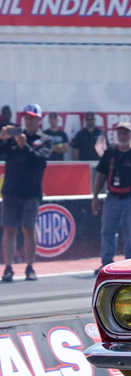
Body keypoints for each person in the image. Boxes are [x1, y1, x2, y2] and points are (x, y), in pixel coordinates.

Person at [91, 121, 131, 275]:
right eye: (120, 133)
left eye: (125, 133)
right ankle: (106, 263)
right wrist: (95, 196)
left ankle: (130, 264)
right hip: (112, 198)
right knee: (107, 231)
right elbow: (101, 175)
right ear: (116, 135)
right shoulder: (110, 152)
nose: (122, 136)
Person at [0, 104, 51, 282]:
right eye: (26, 117)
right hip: (11, 190)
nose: (29, 120)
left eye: (32, 117)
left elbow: (40, 161)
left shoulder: (44, 139)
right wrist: (2, 138)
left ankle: (30, 267)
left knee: (28, 229)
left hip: (31, 192)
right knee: (9, 229)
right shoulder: (13, 136)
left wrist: (25, 146)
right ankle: (7, 267)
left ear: (38, 119)